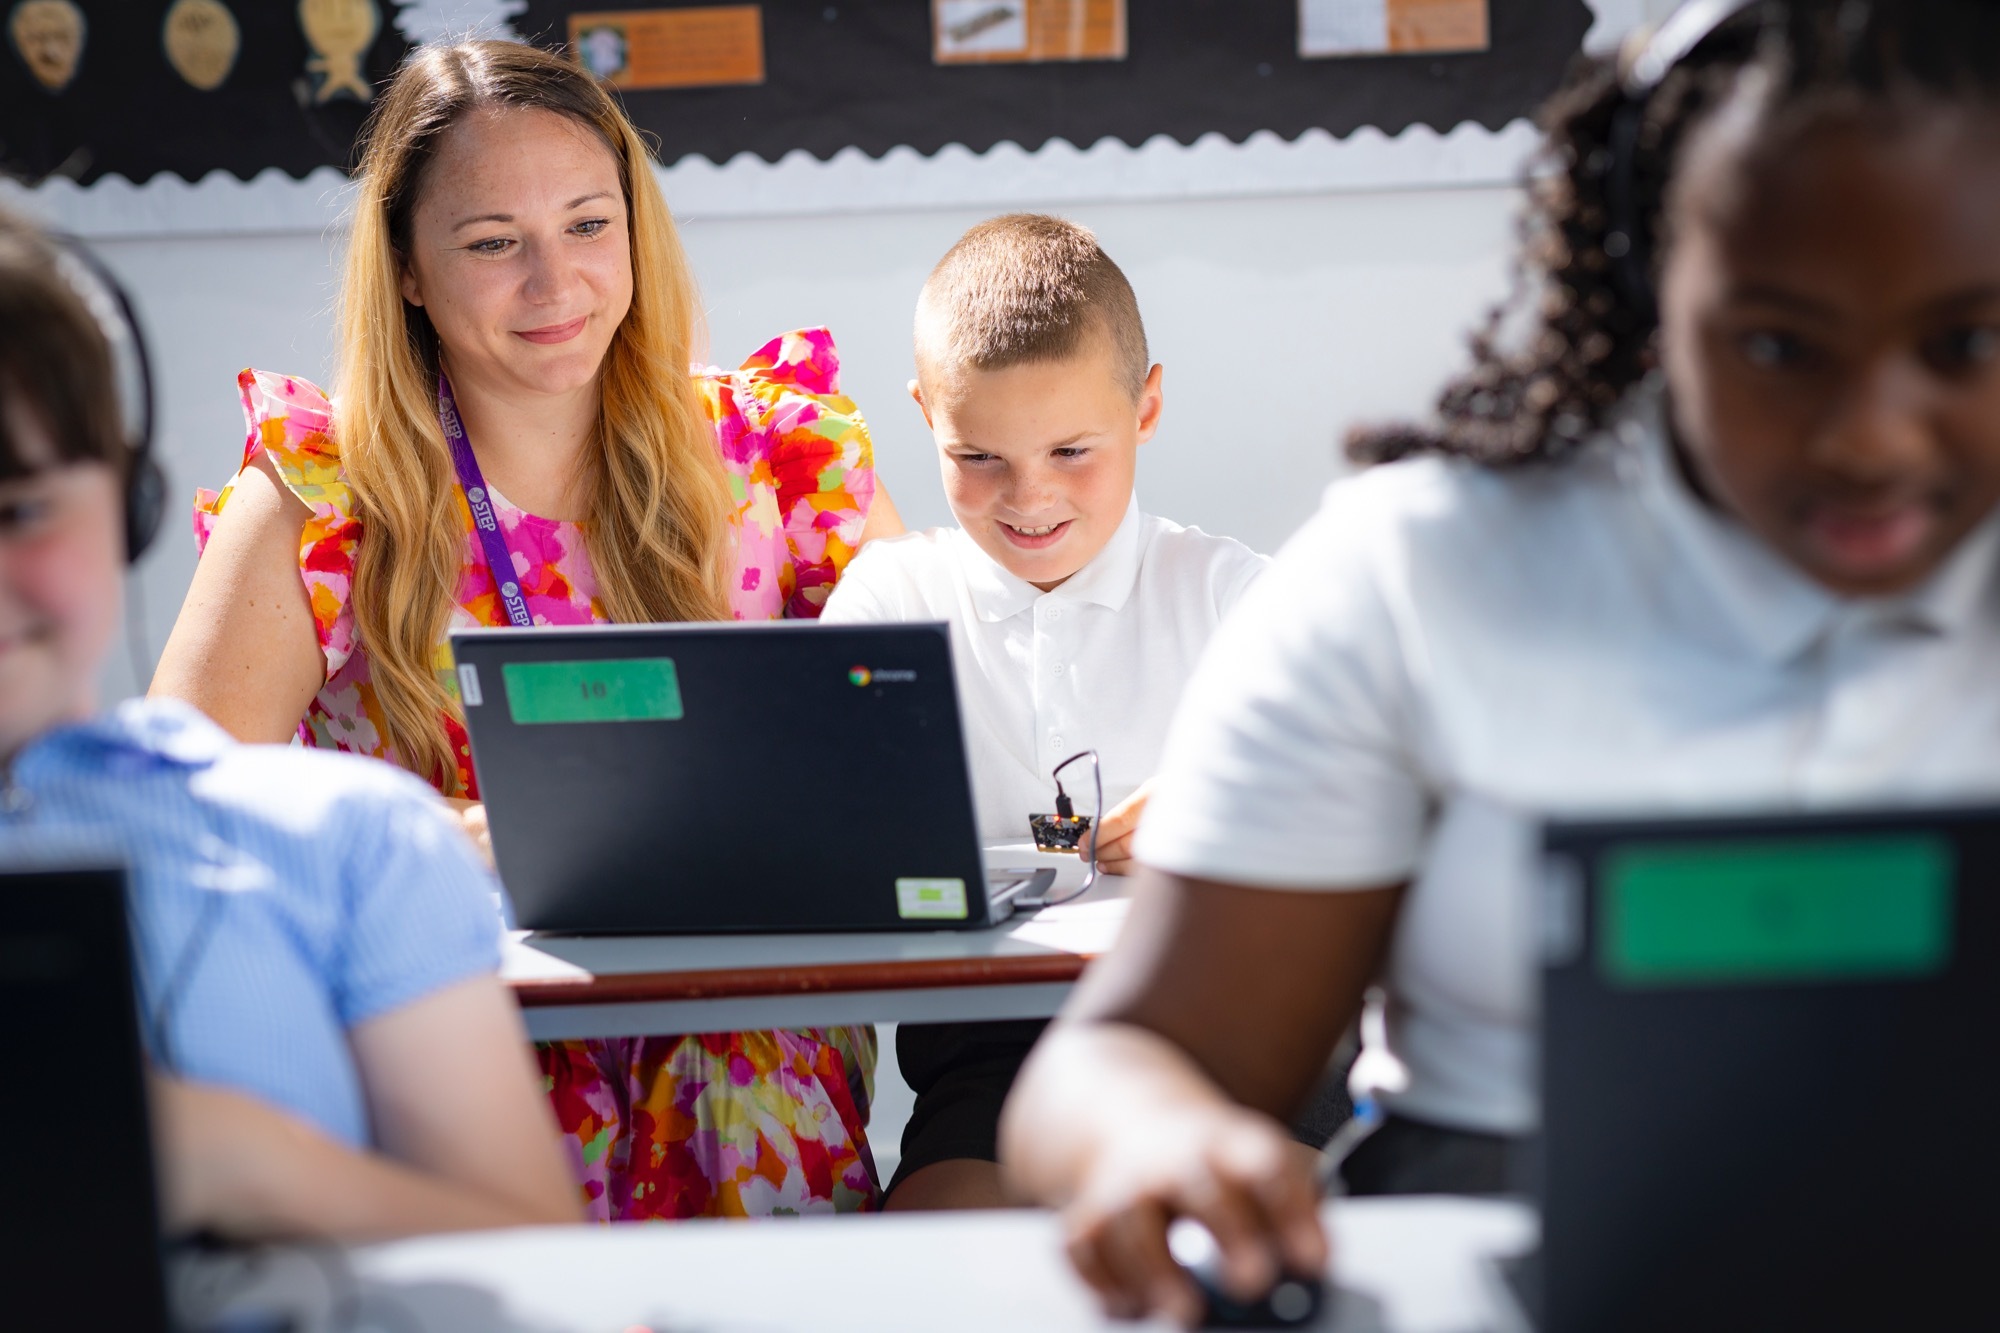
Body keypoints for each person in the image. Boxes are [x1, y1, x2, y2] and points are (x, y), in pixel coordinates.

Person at [1000, 0, 2000, 1321]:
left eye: (1966, 345)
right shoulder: (1417, 573)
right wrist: (1158, 1140)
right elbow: (1124, 1056)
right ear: (1653, 293)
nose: (1871, 437)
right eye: (1776, 346)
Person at [149, 39, 901, 1220]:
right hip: (446, 1089)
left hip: (745, 1093)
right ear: (404, 267)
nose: (555, 286)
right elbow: (174, 809)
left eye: (589, 227)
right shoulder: (322, 487)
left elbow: (917, 741)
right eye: (494, 242)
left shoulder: (781, 455)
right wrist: (437, 834)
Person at [0, 210, 580, 1241]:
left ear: (126, 507)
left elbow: (533, 1262)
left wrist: (245, 1165)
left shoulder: (349, 843)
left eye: (19, 512)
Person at [821, 214, 1268, 1210]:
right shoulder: (891, 599)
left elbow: (1363, 786)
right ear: (923, 413)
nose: (1028, 498)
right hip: (987, 1052)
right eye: (977, 457)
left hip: (1207, 1035)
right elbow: (815, 812)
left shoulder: (1234, 597)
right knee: (937, 1235)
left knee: (1174, 1224)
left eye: (1071, 449)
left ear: (1145, 407)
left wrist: (1229, 806)